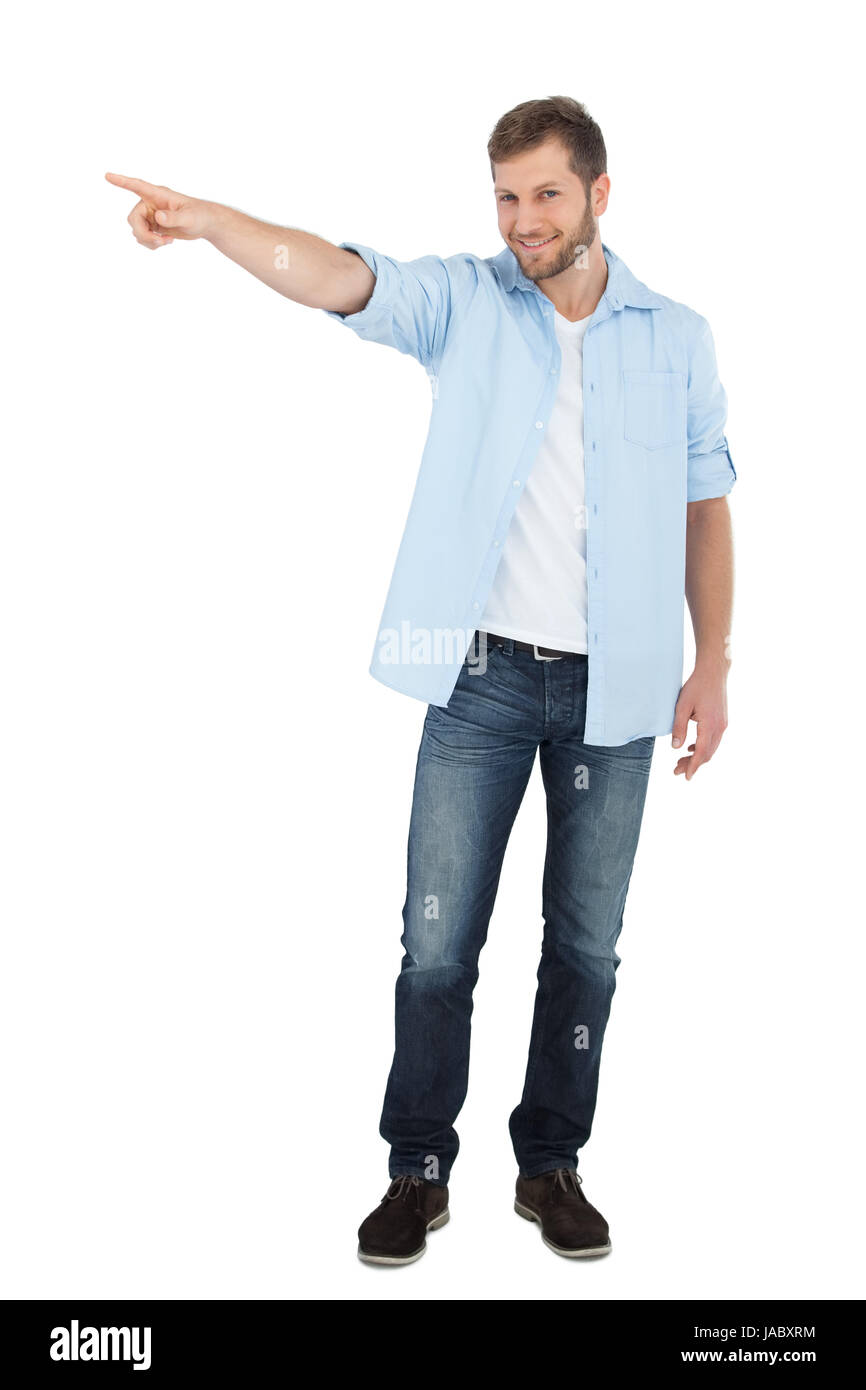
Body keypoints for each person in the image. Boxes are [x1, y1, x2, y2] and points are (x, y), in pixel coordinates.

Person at [106, 93, 735, 1266]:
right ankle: (416, 1167)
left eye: (545, 193)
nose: (521, 220)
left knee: (585, 947)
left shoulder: (677, 336)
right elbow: (334, 275)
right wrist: (209, 223)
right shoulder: (463, 302)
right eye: (504, 196)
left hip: (619, 694)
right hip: (479, 683)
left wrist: (714, 662)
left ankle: (550, 1164)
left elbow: (705, 505)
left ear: (600, 194)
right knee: (436, 947)